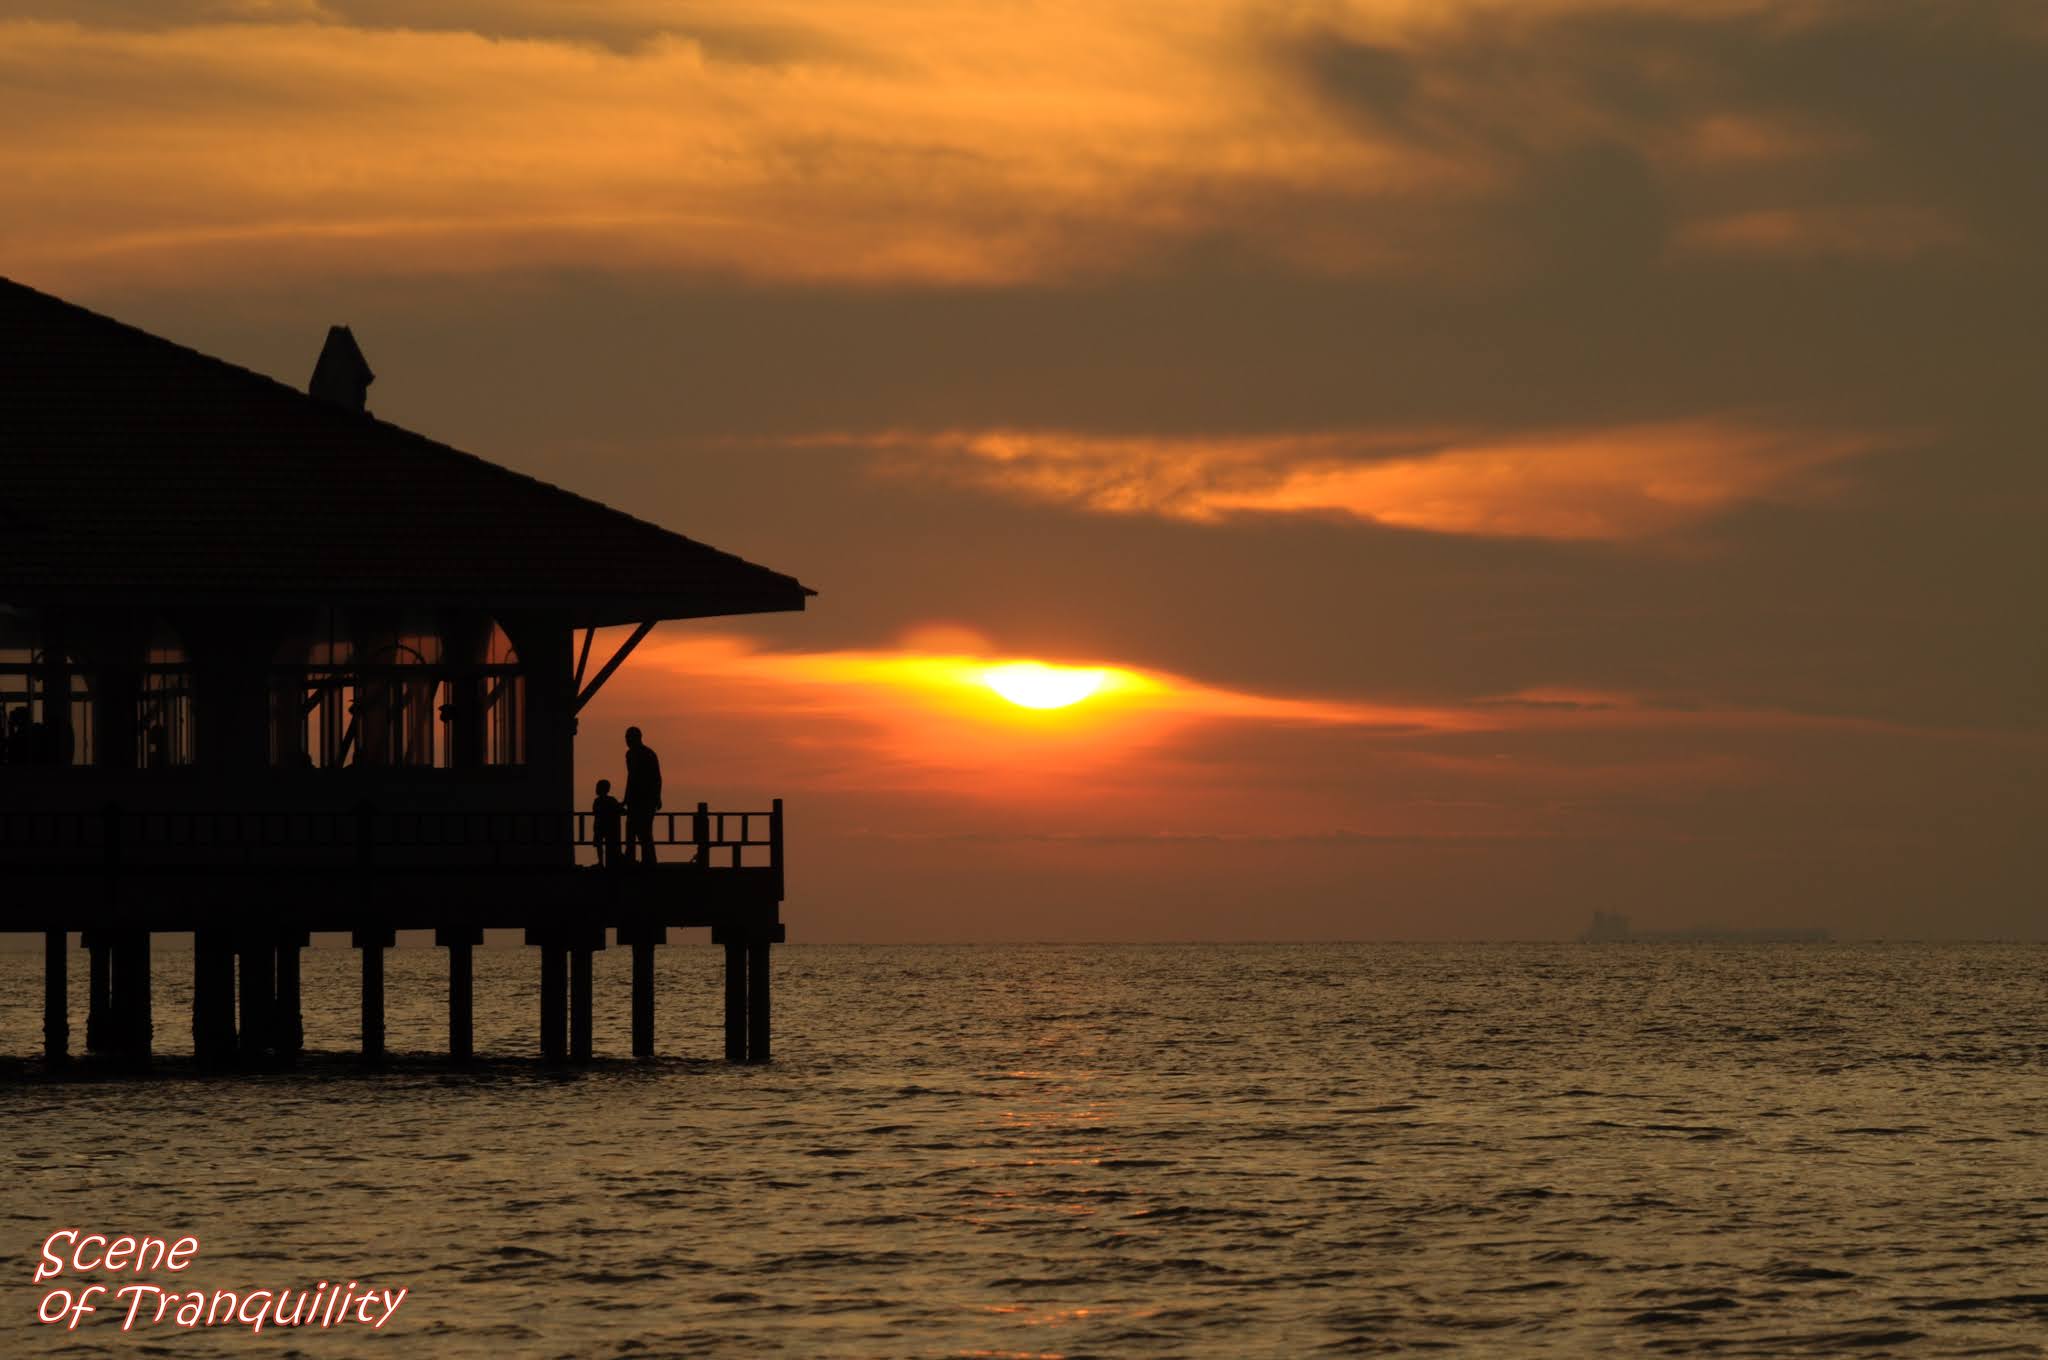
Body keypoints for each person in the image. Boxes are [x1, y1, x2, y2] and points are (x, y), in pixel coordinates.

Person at [623, 726, 663, 866]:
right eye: (626, 738)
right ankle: (631, 859)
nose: (627, 741)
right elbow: (630, 778)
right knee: (631, 830)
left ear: (638, 738)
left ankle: (649, 861)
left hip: (646, 799)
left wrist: (657, 797)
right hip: (635, 800)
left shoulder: (648, 754)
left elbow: (656, 777)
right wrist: (626, 799)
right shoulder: (629, 755)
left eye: (629, 738)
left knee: (644, 831)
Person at [591, 778, 624, 869]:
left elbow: (594, 811)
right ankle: (610, 863)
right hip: (609, 827)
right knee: (610, 845)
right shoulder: (612, 800)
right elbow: (620, 810)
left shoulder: (597, 801)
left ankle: (601, 863)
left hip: (599, 826)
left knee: (599, 845)